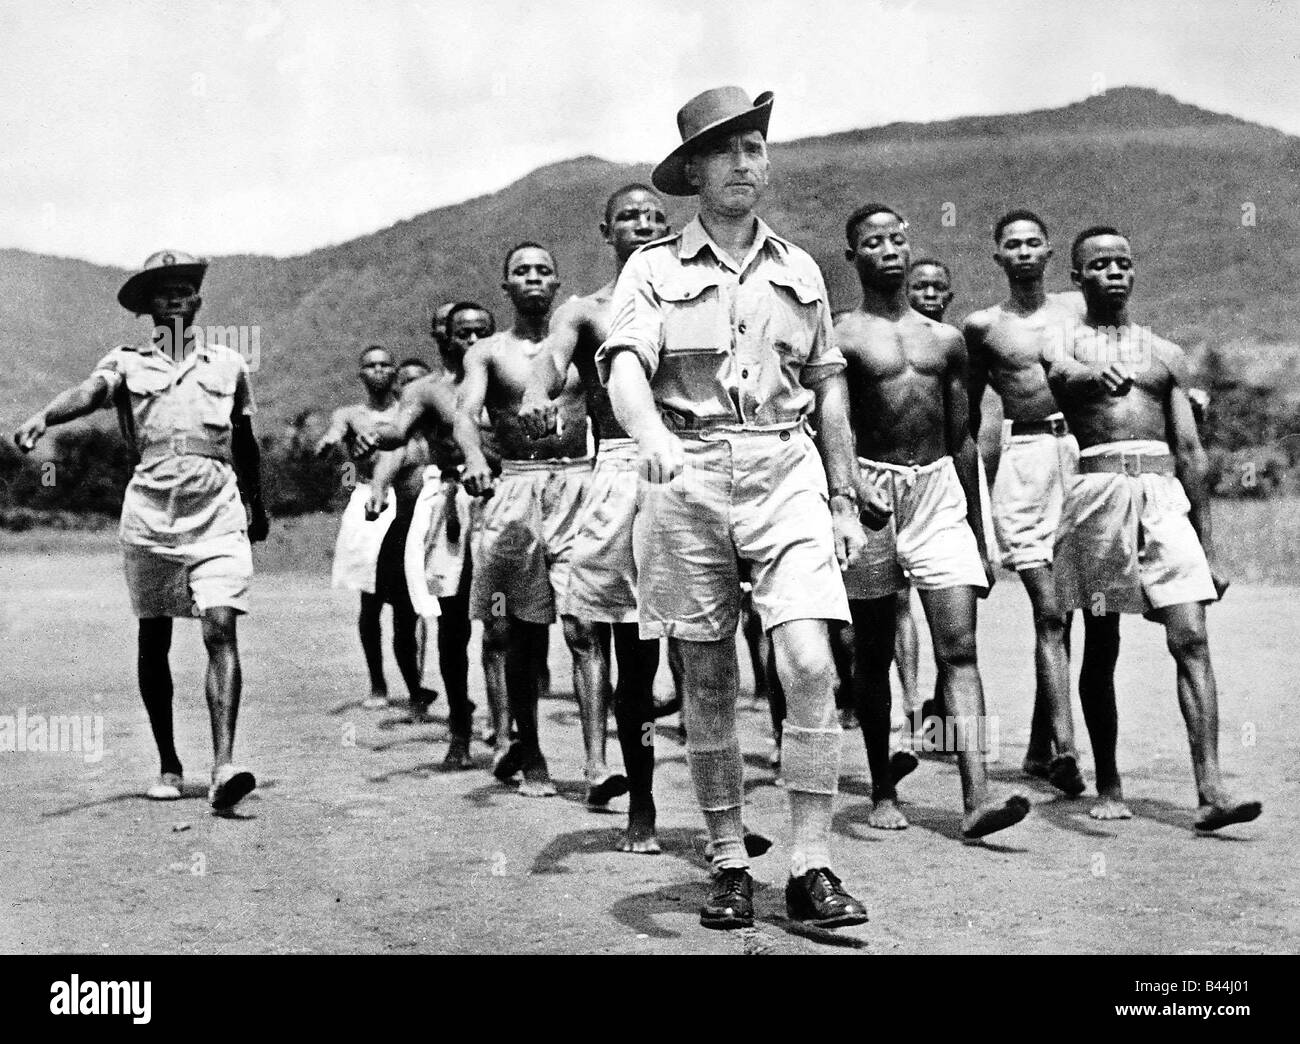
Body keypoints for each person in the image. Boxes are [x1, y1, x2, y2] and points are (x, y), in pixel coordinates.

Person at [598, 87, 870, 929]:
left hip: (784, 467)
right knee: (707, 674)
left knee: (809, 664)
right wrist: (647, 432)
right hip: (686, 473)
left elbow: (828, 388)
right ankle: (726, 861)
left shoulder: (801, 268)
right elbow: (624, 369)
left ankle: (812, 863)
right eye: (729, 150)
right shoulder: (653, 268)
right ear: (696, 172)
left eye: (757, 147)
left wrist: (844, 498)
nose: (748, 163)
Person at [14, 250, 267, 812]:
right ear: (148, 307)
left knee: (219, 625)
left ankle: (224, 765)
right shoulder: (126, 362)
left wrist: (258, 504)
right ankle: (169, 764)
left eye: (184, 290)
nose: (176, 299)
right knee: (154, 637)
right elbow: (88, 392)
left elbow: (245, 442)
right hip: (151, 514)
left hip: (217, 511)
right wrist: (46, 417)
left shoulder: (229, 363)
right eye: (163, 292)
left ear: (198, 301)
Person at [1042, 225, 1261, 831]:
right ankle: (1108, 781)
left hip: (1163, 495)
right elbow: (1056, 373)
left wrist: (1209, 548)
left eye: (1124, 263)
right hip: (1099, 493)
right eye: (1100, 264)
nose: (1114, 272)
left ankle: (1211, 787)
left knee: (1190, 634)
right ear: (1077, 277)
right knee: (1101, 641)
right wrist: (1086, 372)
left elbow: (1190, 451)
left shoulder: (1166, 353)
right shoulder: (1066, 345)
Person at [836, 204, 1030, 838]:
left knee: (960, 648)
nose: (889, 249)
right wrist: (848, 489)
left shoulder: (945, 340)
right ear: (854, 257)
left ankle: (975, 797)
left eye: (897, 238)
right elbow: (826, 428)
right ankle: (884, 789)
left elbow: (965, 436)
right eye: (873, 242)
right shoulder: (841, 337)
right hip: (871, 493)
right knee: (870, 651)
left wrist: (978, 532)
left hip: (939, 491)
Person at [517, 184, 670, 846]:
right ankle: (643, 801)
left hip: (692, 468)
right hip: (617, 472)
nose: (643, 224)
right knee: (631, 653)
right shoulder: (585, 313)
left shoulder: (690, 295)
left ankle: (727, 812)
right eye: (629, 217)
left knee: (708, 644)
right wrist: (532, 392)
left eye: (655, 217)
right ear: (607, 231)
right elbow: (548, 363)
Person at [455, 243, 611, 800]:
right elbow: (466, 415)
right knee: (518, 631)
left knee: (586, 625)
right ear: (506, 287)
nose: (534, 279)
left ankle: (597, 765)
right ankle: (534, 757)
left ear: (557, 280)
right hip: (515, 488)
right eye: (522, 271)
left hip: (580, 484)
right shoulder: (489, 354)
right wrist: (475, 457)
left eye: (544, 270)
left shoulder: (582, 339)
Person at [965, 210, 1087, 793]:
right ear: (999, 258)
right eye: (1011, 245)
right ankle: (1065, 747)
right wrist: (969, 508)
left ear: (1047, 251)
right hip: (1025, 459)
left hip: (1084, 457)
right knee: (1049, 609)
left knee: (1082, 611)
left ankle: (1043, 746)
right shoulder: (982, 328)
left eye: (1033, 242)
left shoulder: (1079, 308)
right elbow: (963, 416)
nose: (1023, 252)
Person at [367, 303, 509, 767]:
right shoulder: (426, 389)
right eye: (462, 333)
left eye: (481, 332)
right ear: (444, 338)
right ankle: (461, 731)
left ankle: (506, 732)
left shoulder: (505, 378)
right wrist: (374, 439)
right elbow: (399, 431)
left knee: (504, 624)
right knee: (452, 626)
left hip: (508, 500)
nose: (471, 342)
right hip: (453, 508)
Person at [317, 345, 401, 709]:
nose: (379, 371)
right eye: (371, 365)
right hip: (368, 500)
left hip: (409, 495)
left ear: (395, 371)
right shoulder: (350, 414)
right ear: (361, 374)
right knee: (370, 598)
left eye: (385, 365)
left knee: (410, 595)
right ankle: (377, 683)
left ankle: (414, 686)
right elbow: (334, 434)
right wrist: (329, 442)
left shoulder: (406, 410)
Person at [362, 358, 441, 720]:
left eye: (420, 381)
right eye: (406, 382)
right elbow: (383, 470)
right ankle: (414, 690)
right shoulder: (399, 440)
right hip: (407, 529)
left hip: (445, 527)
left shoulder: (452, 429)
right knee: (405, 618)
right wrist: (376, 490)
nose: (413, 388)